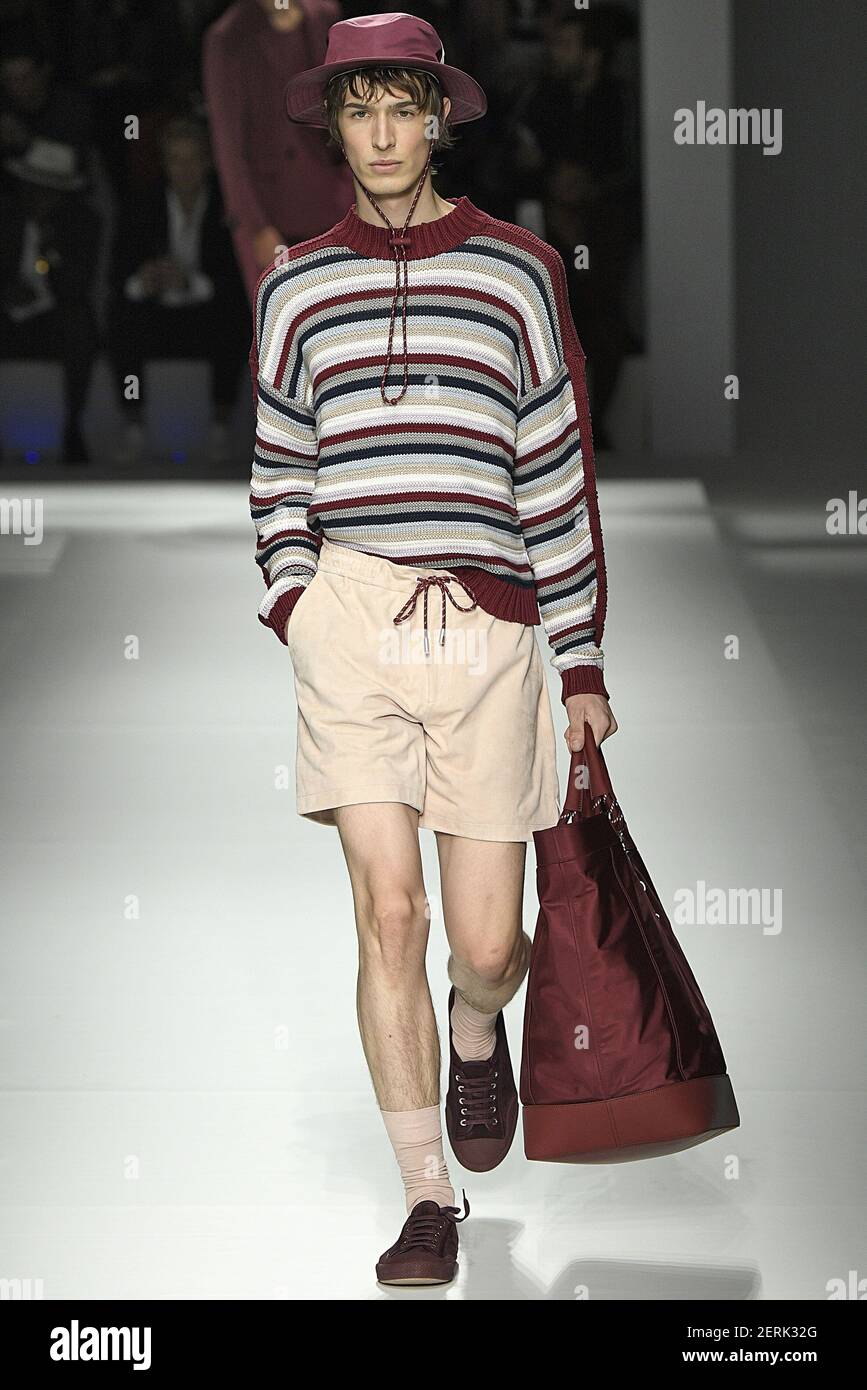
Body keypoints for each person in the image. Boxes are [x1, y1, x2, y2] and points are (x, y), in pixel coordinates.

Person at [247, 12, 617, 1287]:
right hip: (352, 622)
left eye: (405, 107)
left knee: (487, 944)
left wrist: (579, 664)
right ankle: (426, 1196)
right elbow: (278, 466)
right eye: (361, 110)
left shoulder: (518, 271)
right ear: (335, 125)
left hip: (490, 632)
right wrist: (300, 600)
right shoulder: (295, 283)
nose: (385, 133)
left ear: (440, 117)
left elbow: (556, 478)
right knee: (385, 912)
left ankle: (477, 1035)